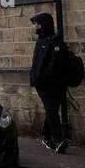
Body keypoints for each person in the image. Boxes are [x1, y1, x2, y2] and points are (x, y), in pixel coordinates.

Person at [29, 12, 69, 153]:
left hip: (55, 82)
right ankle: (58, 140)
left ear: (44, 24)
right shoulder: (40, 41)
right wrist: (37, 79)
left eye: (38, 24)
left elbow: (54, 64)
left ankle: (47, 137)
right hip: (43, 83)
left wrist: (43, 77)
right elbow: (37, 63)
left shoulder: (55, 41)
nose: (36, 27)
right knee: (51, 110)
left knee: (51, 110)